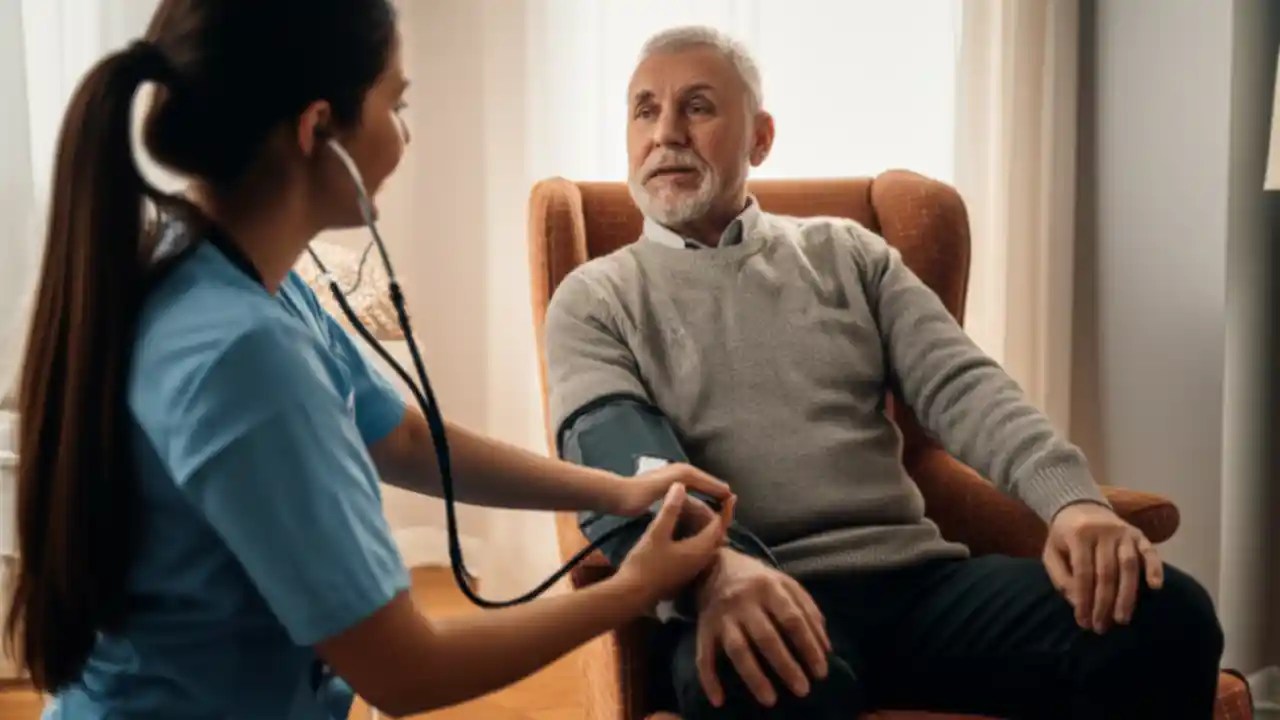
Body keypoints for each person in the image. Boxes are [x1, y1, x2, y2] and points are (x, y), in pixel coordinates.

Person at [5, 3, 737, 718]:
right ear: (319, 130)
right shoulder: (244, 357)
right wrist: (633, 589)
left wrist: (614, 492)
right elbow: (406, 672)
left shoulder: (227, 273)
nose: (406, 136)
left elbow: (404, 439)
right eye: (398, 104)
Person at [544, 25, 1226, 719]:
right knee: (752, 680)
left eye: (697, 106)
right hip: (752, 589)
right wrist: (717, 571)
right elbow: (617, 463)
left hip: (919, 587)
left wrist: (1073, 502)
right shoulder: (597, 296)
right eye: (644, 110)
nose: (666, 133)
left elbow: (962, 386)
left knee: (1171, 615)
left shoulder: (848, 253)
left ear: (759, 137)